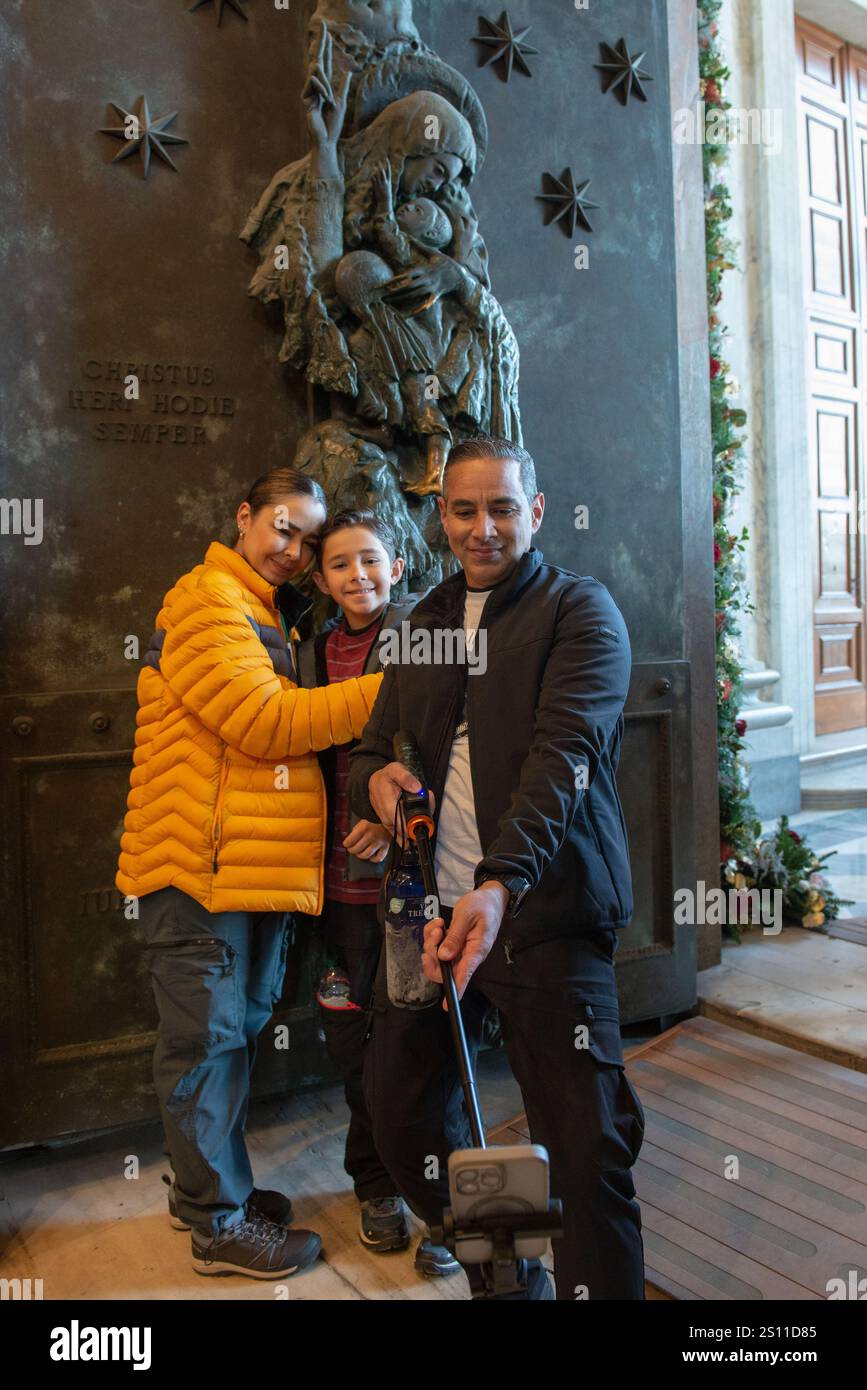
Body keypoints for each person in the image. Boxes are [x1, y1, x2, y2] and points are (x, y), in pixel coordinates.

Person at [348, 435, 646, 1301]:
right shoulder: (425, 623)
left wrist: (498, 880)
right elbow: (370, 744)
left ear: (536, 512)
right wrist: (377, 779)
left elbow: (565, 758)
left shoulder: (578, 612)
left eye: (503, 507)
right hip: (433, 924)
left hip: (541, 917)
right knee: (402, 1122)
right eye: (465, 509)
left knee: (586, 1151)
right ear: (440, 518)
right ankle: (507, 1275)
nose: (484, 527)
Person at [115, 468, 383, 1280]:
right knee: (206, 1041)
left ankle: (207, 1192)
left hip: (242, 870)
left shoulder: (261, 609)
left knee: (228, 1035)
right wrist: (400, 691)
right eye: (283, 527)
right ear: (245, 517)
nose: (295, 550)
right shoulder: (205, 601)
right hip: (200, 868)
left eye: (309, 540)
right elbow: (265, 723)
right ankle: (216, 1224)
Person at [297, 509, 458, 1276]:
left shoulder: (423, 636)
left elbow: (446, 750)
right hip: (332, 890)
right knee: (349, 1043)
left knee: (423, 1047)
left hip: (406, 883)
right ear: (320, 579)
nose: (357, 576)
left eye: (370, 560)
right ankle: (375, 1188)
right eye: (338, 565)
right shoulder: (309, 653)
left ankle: (447, 1206)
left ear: (397, 564)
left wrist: (386, 814)